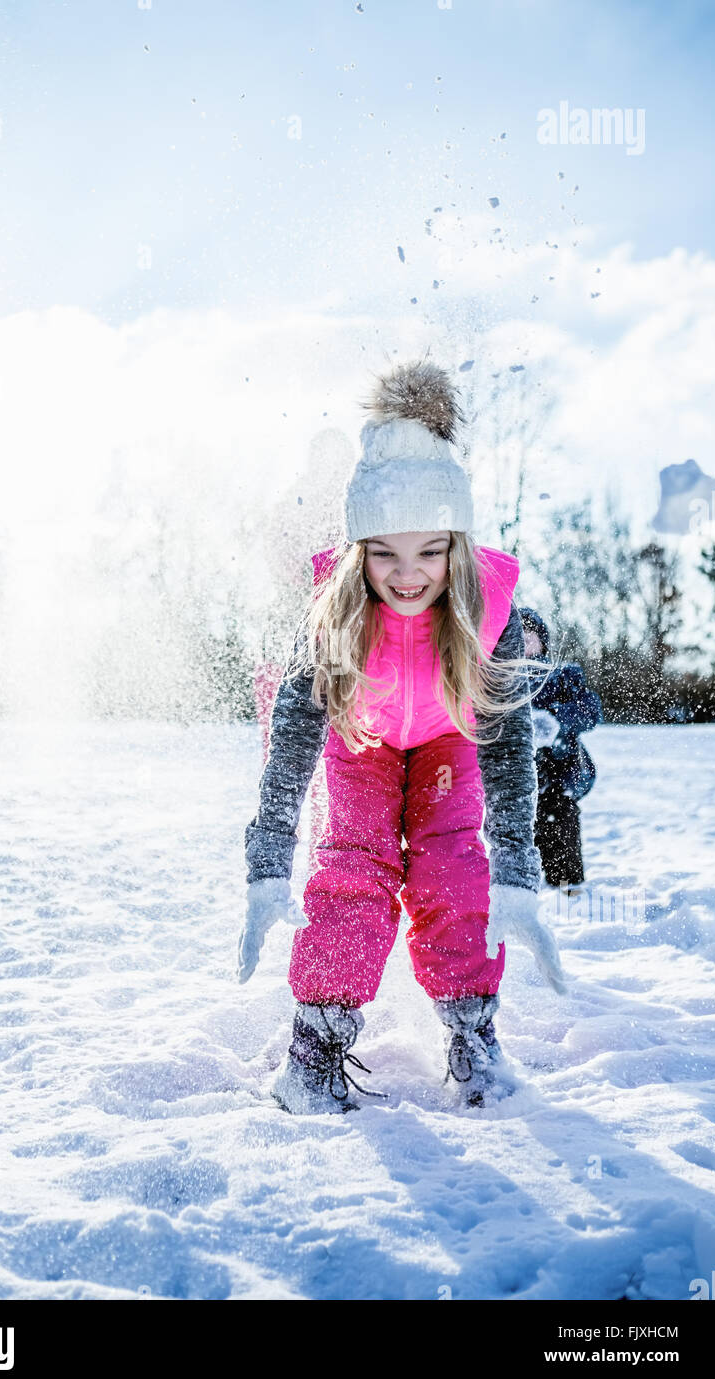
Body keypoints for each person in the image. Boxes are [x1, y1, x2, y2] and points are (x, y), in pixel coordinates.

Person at [238, 359, 567, 1116]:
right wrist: (266, 862)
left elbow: (510, 745)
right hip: (364, 737)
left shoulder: (490, 613)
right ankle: (316, 1041)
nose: (408, 574)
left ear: (457, 544)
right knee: (355, 864)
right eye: (383, 552)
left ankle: (472, 1030)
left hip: (449, 739)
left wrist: (517, 865)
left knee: (452, 867)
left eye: (429, 551)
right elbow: (291, 742)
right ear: (359, 551)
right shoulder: (333, 615)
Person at [519, 607, 602, 893]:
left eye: (529, 635)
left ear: (542, 640)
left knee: (560, 818)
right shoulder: (500, 678)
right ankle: (520, 885)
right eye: (515, 635)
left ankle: (567, 884)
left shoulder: (560, 675)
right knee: (521, 827)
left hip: (559, 768)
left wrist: (555, 719)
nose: (523, 641)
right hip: (516, 771)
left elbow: (590, 711)